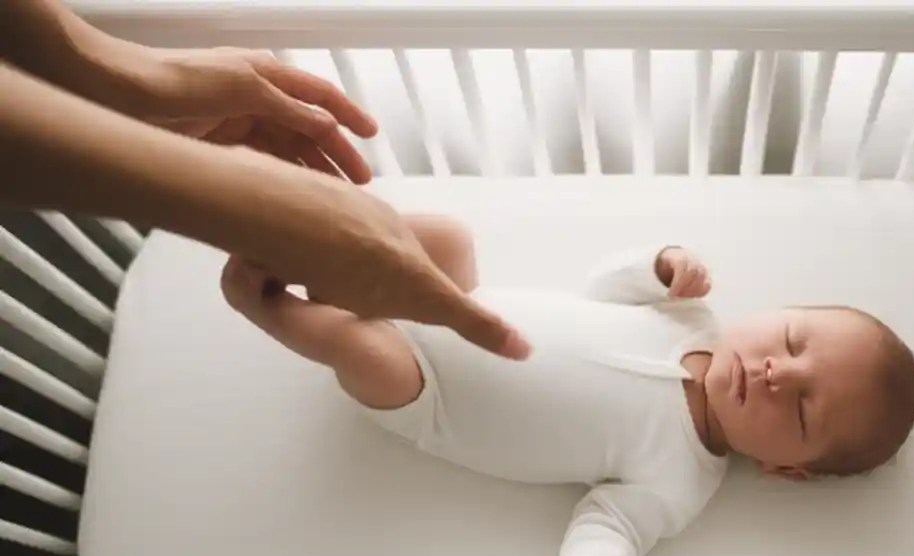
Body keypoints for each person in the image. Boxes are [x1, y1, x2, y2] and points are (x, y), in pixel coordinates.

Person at [220, 225, 914, 556]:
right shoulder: (689, 316)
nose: (776, 375)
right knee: (445, 237)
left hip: (430, 395)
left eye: (800, 410)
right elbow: (602, 289)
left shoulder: (678, 484)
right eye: (793, 341)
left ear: (784, 469)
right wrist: (659, 265)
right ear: (781, 309)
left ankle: (265, 303)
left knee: (366, 351)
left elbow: (605, 529)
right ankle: (312, 246)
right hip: (458, 299)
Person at [0, 0, 529, 360]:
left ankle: (287, 294)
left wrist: (115, 71)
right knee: (429, 269)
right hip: (453, 360)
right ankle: (278, 304)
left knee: (380, 345)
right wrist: (250, 202)